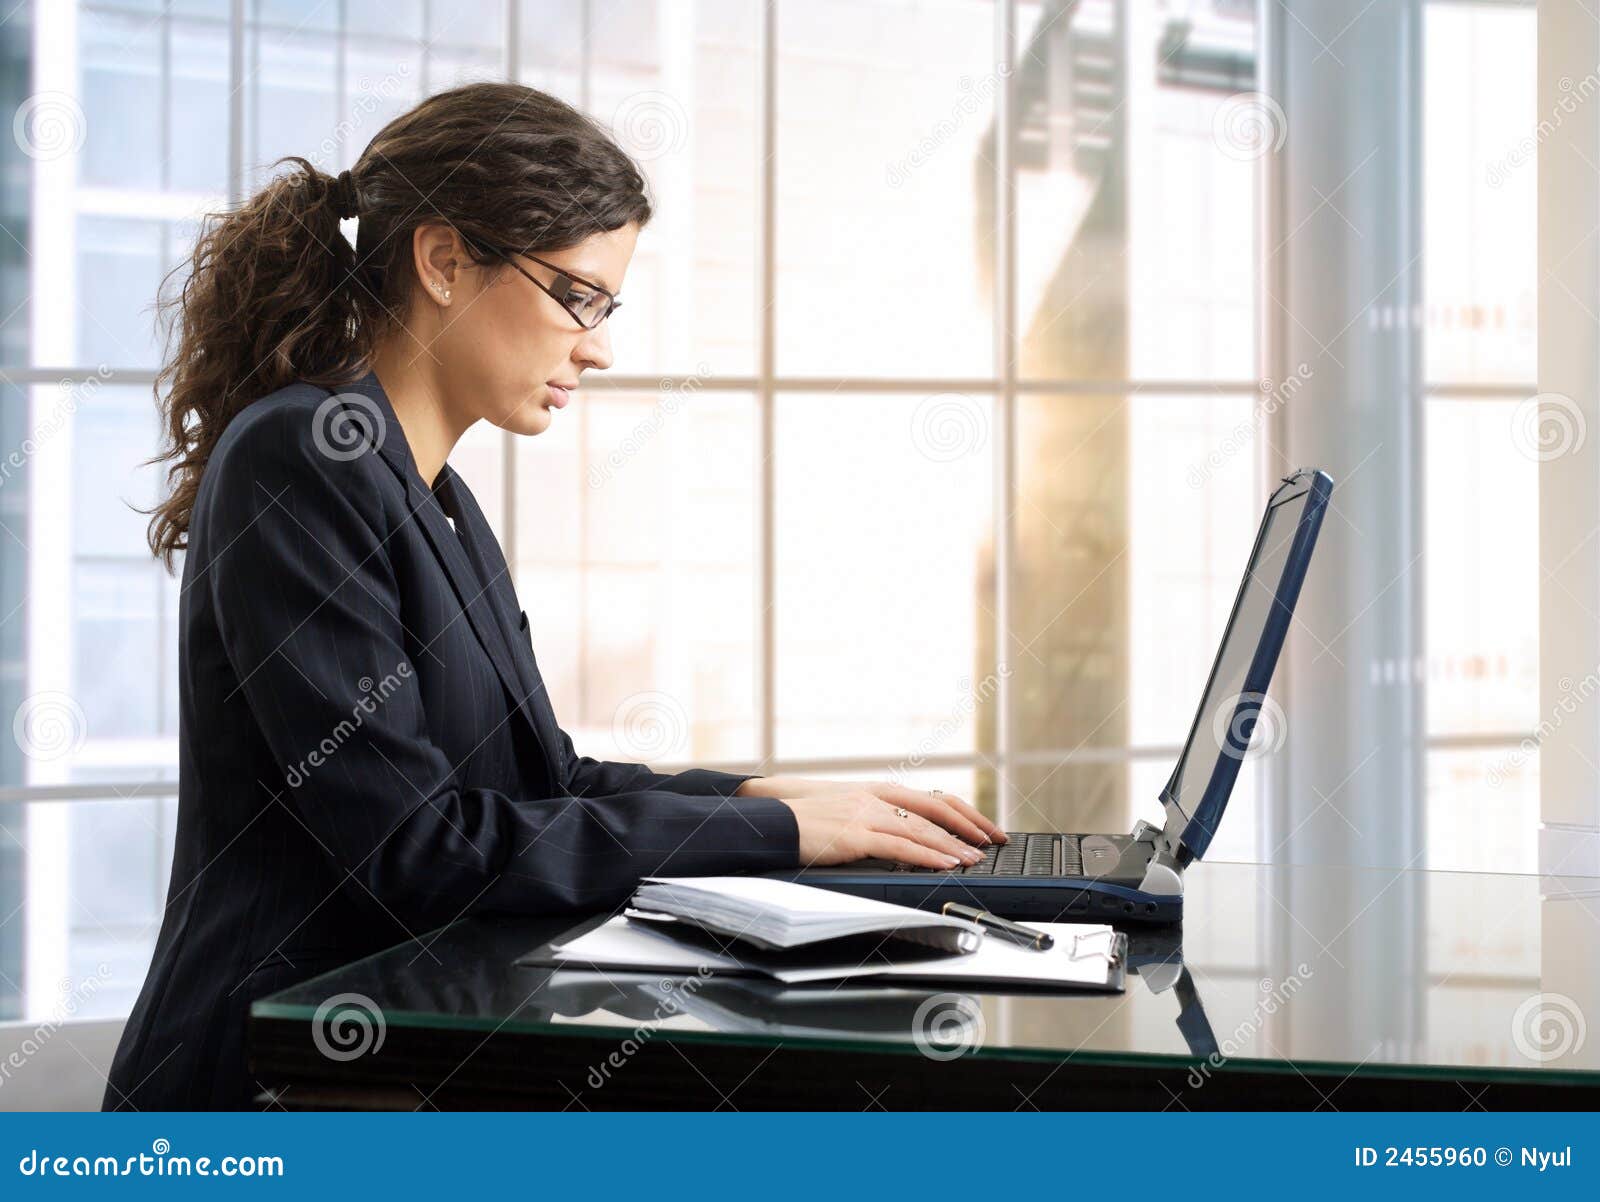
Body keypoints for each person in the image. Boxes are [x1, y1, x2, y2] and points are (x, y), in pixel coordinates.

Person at [105, 81, 1003, 1111]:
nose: (599, 344)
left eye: (606, 306)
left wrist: (766, 798)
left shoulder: (440, 499)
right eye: (576, 295)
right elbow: (419, 849)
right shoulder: (303, 456)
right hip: (271, 1087)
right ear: (443, 260)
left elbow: (545, 777)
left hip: (398, 1063)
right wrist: (786, 834)